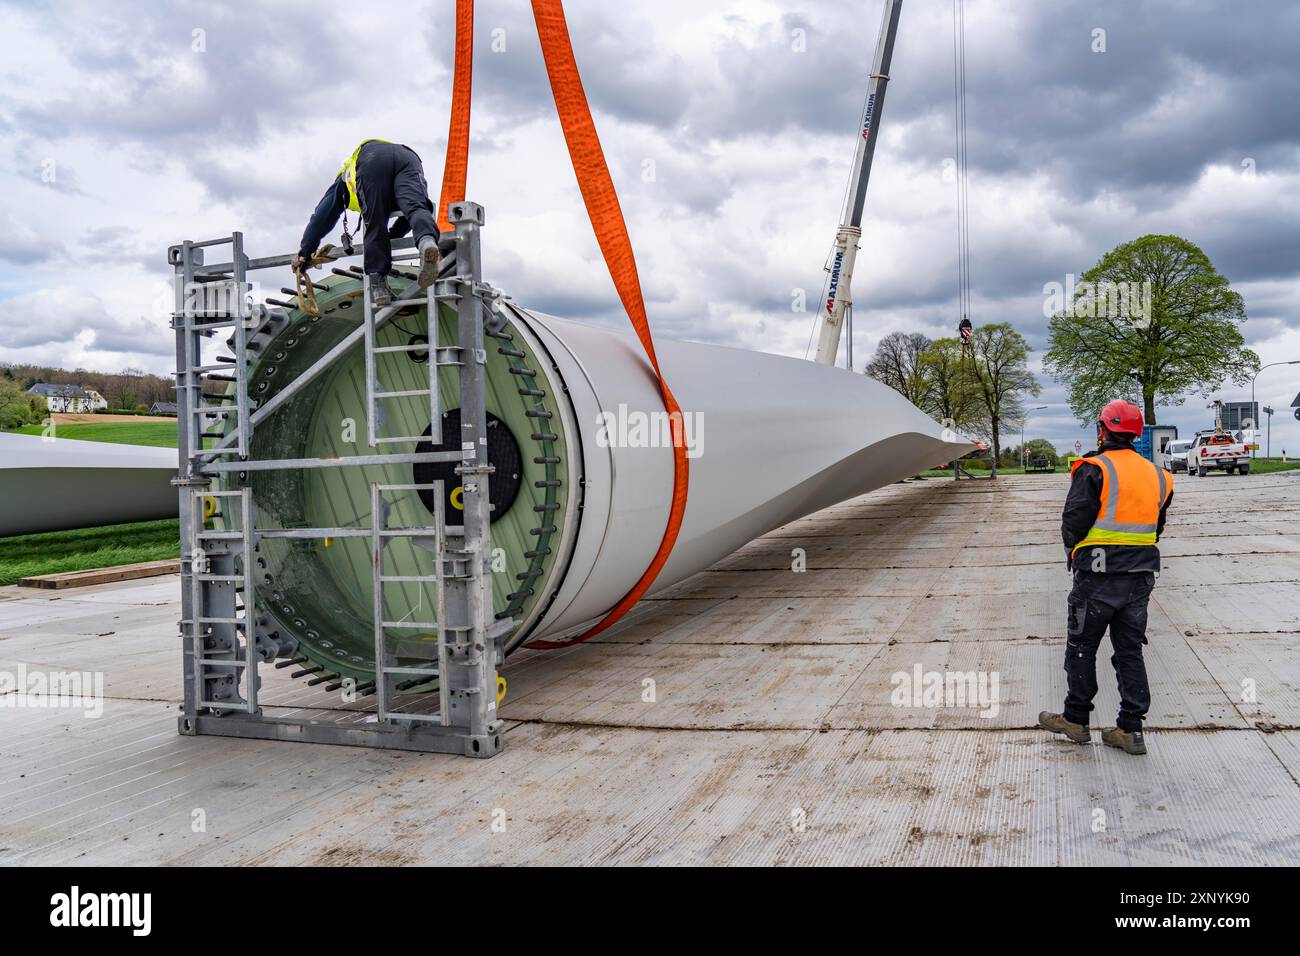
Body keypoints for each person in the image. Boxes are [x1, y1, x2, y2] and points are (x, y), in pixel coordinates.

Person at [1038, 399, 1174, 756]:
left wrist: (1073, 553)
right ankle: (1130, 729)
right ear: (1136, 434)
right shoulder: (1159, 476)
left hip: (1097, 578)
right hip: (1141, 576)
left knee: (1082, 647)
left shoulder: (1094, 468)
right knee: (1129, 651)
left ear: (1102, 430)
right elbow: (1155, 528)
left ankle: (1076, 719)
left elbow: (1074, 521)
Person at [293, 138, 441, 307]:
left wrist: (305, 252)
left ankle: (378, 285)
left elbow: (321, 218)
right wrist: (391, 239)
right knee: (416, 207)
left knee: (375, 221)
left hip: (372, 158)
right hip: (409, 157)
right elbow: (406, 219)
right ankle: (427, 243)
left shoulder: (343, 181)